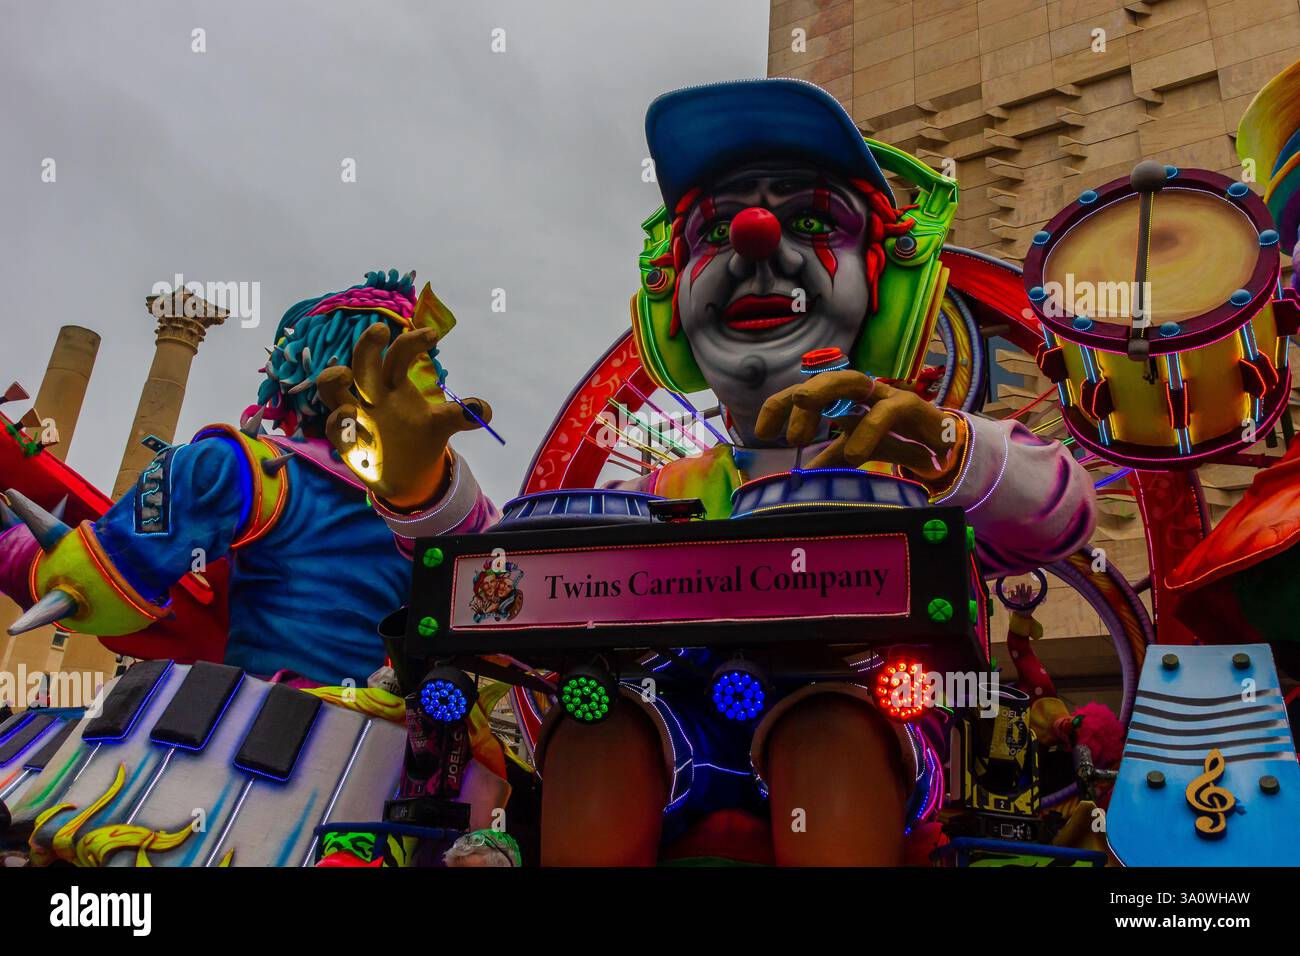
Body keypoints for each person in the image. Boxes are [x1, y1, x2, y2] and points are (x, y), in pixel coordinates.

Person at [316, 79, 1096, 865]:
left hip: (883, 747)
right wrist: (424, 492)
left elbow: (1064, 516)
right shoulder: (655, 499)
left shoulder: (923, 468)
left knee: (833, 726)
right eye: (715, 231)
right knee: (600, 723)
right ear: (670, 302)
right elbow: (509, 587)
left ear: (889, 285)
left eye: (815, 221)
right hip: (669, 742)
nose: (756, 241)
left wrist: (944, 447)